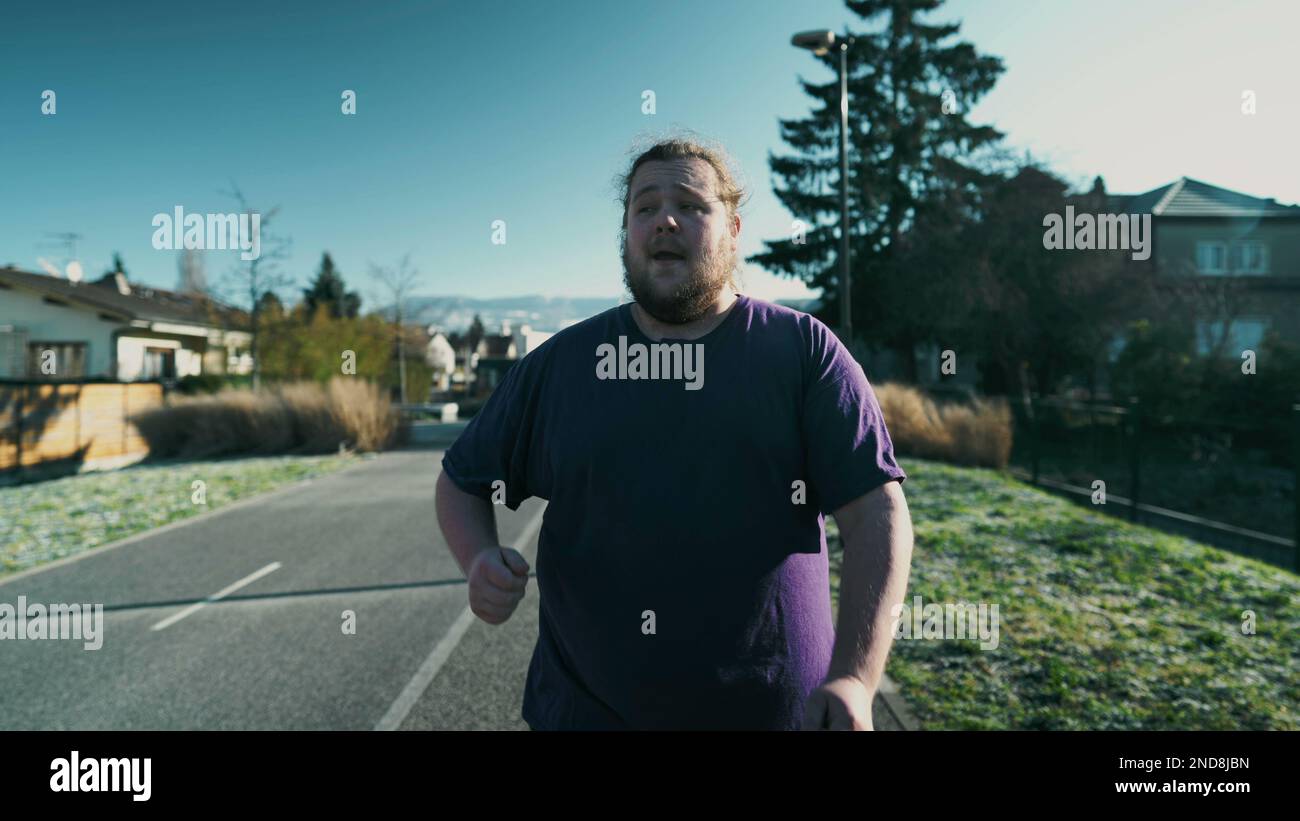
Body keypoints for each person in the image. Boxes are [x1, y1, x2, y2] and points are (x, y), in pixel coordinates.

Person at [435, 135, 914, 731]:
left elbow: (876, 514)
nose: (665, 219)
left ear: (733, 230)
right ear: (626, 234)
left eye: (690, 204)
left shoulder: (802, 352)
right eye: (645, 206)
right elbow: (461, 479)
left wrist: (855, 677)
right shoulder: (561, 365)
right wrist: (478, 557)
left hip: (774, 717)